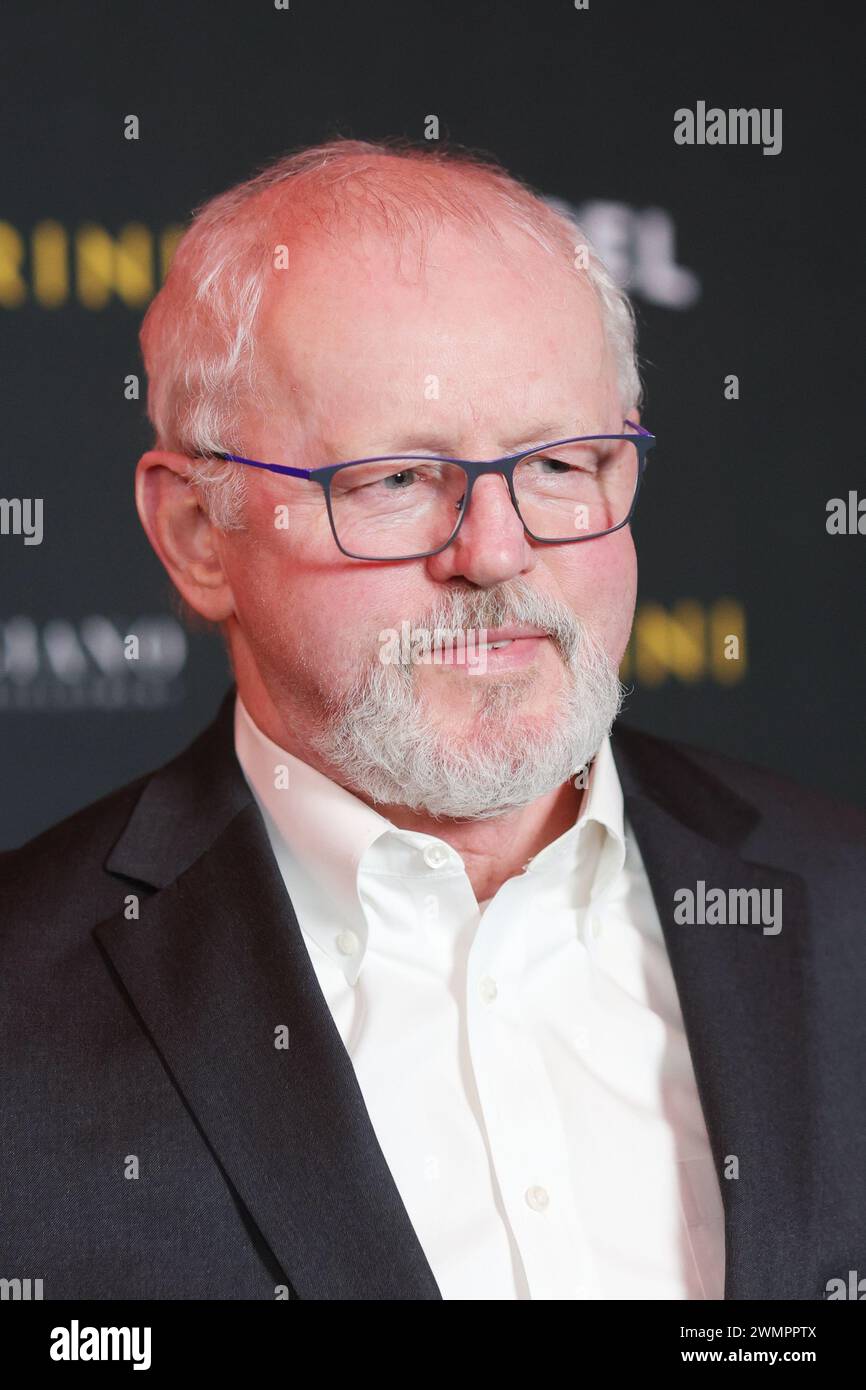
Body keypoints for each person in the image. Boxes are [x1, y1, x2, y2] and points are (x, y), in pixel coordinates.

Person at [2, 139, 864, 1301]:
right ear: (199, 533)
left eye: (561, 462)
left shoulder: (841, 902)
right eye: (394, 481)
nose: (495, 550)